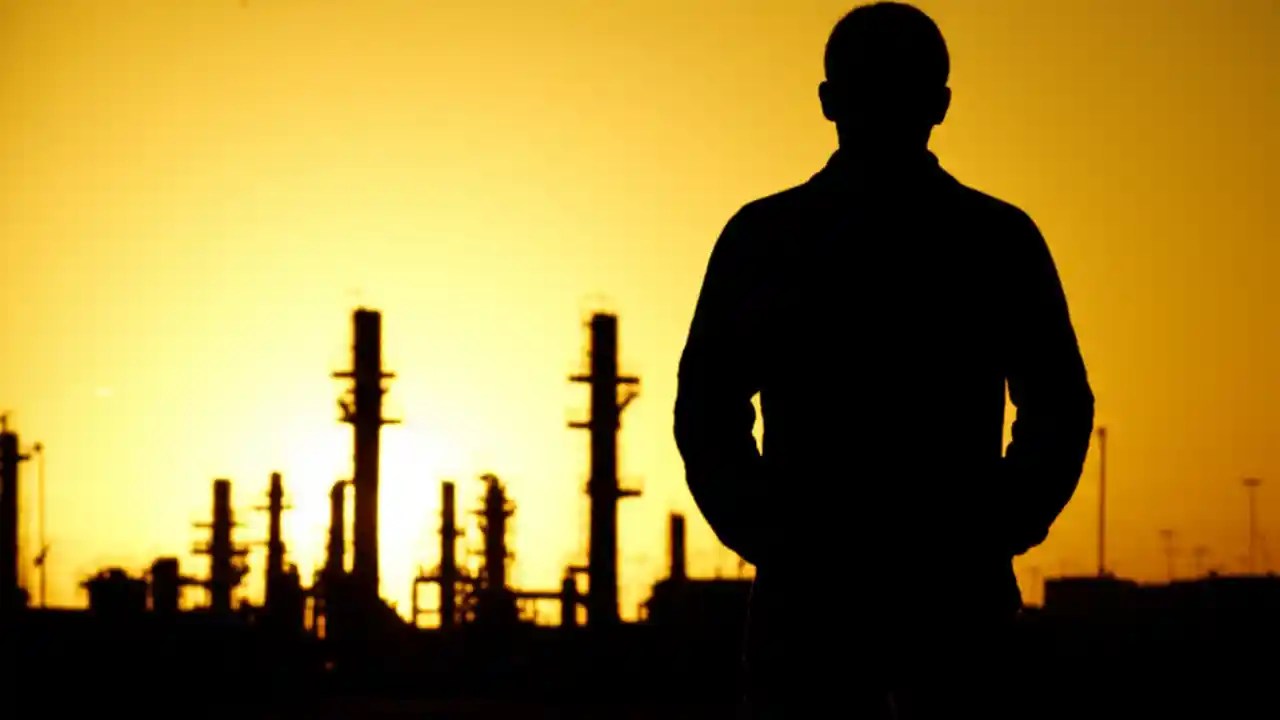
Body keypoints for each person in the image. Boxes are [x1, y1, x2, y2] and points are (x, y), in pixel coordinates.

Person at [673, 2, 1095, 717]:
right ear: (943, 104)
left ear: (827, 100)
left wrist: (774, 538)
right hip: (952, 606)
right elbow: (1058, 408)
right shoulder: (995, 239)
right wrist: (992, 529)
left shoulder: (765, 238)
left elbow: (706, 412)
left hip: (814, 609)